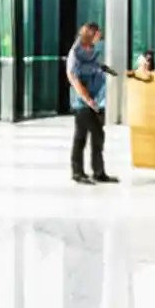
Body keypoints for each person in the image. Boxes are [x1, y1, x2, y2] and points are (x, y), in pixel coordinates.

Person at [67, 22, 118, 185]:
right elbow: (74, 78)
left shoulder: (94, 50)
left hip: (97, 100)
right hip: (83, 103)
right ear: (89, 33)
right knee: (84, 136)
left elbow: (96, 66)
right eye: (97, 33)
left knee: (96, 137)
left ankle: (98, 172)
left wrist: (107, 69)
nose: (100, 36)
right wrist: (88, 100)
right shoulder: (76, 53)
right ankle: (79, 172)